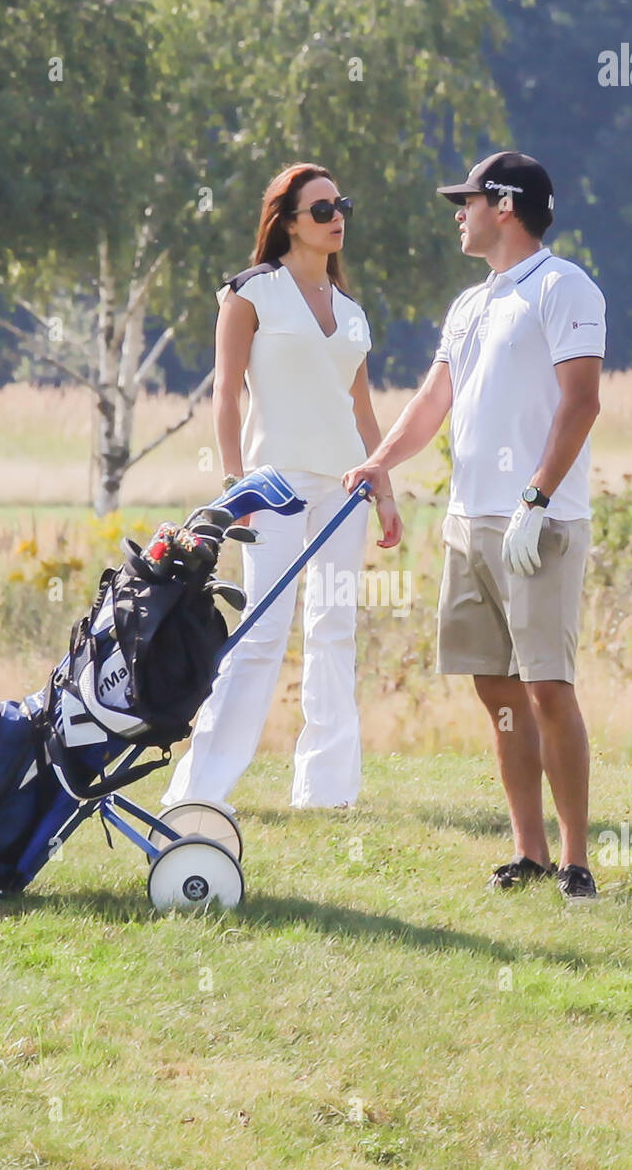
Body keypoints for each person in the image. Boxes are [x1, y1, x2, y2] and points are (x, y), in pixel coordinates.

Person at [343, 151, 605, 900]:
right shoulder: (470, 304)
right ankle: (529, 851)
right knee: (496, 691)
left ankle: (576, 858)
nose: (459, 213)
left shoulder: (564, 288)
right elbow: (431, 403)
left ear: (505, 206)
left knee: (547, 688)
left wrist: (535, 498)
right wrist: (378, 462)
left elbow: (580, 403)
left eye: (468, 201)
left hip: (537, 525)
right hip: (467, 522)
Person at [164, 162, 402, 812]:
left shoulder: (352, 313)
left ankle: (326, 793)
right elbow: (225, 393)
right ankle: (200, 791)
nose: (336, 218)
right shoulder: (250, 293)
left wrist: (383, 485)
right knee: (263, 632)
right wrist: (233, 484)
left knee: (333, 629)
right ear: (287, 222)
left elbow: (360, 407)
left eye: (340, 205)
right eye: (321, 209)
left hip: (345, 488)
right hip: (273, 487)